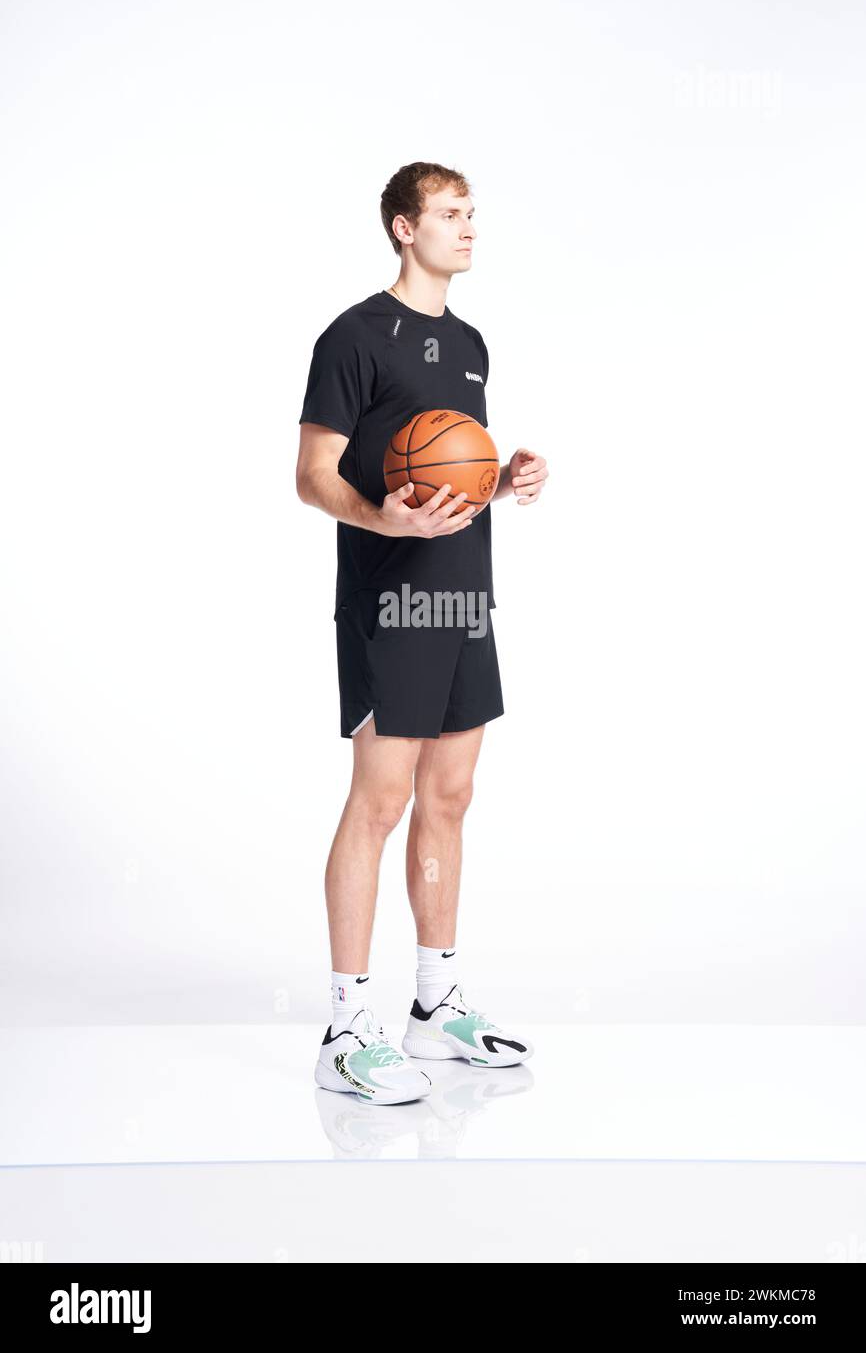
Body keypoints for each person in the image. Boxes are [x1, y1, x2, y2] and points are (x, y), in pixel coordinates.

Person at [296, 161, 549, 1105]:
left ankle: (433, 1006)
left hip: (464, 595)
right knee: (381, 800)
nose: (469, 228)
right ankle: (344, 1024)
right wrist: (384, 520)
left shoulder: (473, 342)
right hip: (387, 597)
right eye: (450, 214)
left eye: (473, 212)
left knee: (452, 794)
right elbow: (313, 475)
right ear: (405, 228)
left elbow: (456, 459)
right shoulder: (353, 335)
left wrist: (507, 473)